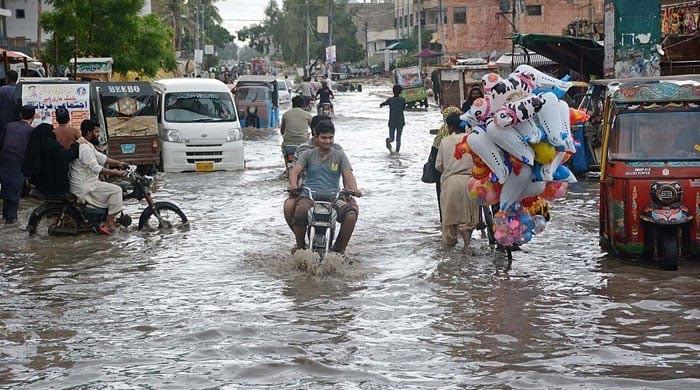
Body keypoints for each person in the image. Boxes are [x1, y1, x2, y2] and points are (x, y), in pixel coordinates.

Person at [287, 120, 361, 254]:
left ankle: (338, 251)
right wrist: (293, 185)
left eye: (330, 137)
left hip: (334, 198)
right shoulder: (307, 155)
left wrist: (354, 189)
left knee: (351, 215)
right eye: (324, 138)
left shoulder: (340, 155)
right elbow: (295, 171)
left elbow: (348, 174)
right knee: (300, 212)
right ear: (316, 138)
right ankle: (300, 246)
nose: (327, 141)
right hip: (309, 197)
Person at [70, 119, 129, 235]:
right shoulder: (84, 148)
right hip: (85, 185)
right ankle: (109, 223)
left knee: (113, 188)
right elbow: (96, 168)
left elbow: (102, 158)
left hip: (88, 181)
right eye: (96, 132)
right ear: (88, 133)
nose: (98, 135)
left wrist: (120, 163)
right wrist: (116, 172)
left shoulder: (87, 144)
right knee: (117, 190)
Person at [435, 112, 479, 252]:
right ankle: (467, 245)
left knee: (450, 217)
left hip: (451, 181)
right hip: (470, 181)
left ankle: (450, 250)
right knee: (468, 216)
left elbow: (438, 165)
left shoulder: (445, 141)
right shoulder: (472, 140)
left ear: (450, 126)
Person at [22, 124, 81, 198]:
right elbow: (66, 156)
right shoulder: (51, 145)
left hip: (41, 186)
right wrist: (76, 146)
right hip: (55, 187)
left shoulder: (35, 148)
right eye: (52, 130)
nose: (54, 132)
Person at [0, 105, 35, 223]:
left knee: (6, 191)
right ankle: (11, 222)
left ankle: (6, 217)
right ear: (33, 116)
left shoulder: (9, 126)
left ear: (20, 115)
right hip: (18, 163)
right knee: (14, 194)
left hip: (4, 161)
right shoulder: (31, 131)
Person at [380, 84, 406, 154]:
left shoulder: (390, 100)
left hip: (392, 121)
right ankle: (397, 153)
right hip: (400, 121)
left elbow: (383, 104)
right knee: (398, 139)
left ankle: (388, 142)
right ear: (400, 92)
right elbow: (404, 108)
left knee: (392, 138)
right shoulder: (402, 100)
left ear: (393, 91)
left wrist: (381, 105)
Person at [0, 70, 19, 145]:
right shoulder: (20, 89)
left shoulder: (2, 90)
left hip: (3, 122)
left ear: (7, 78)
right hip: (17, 122)